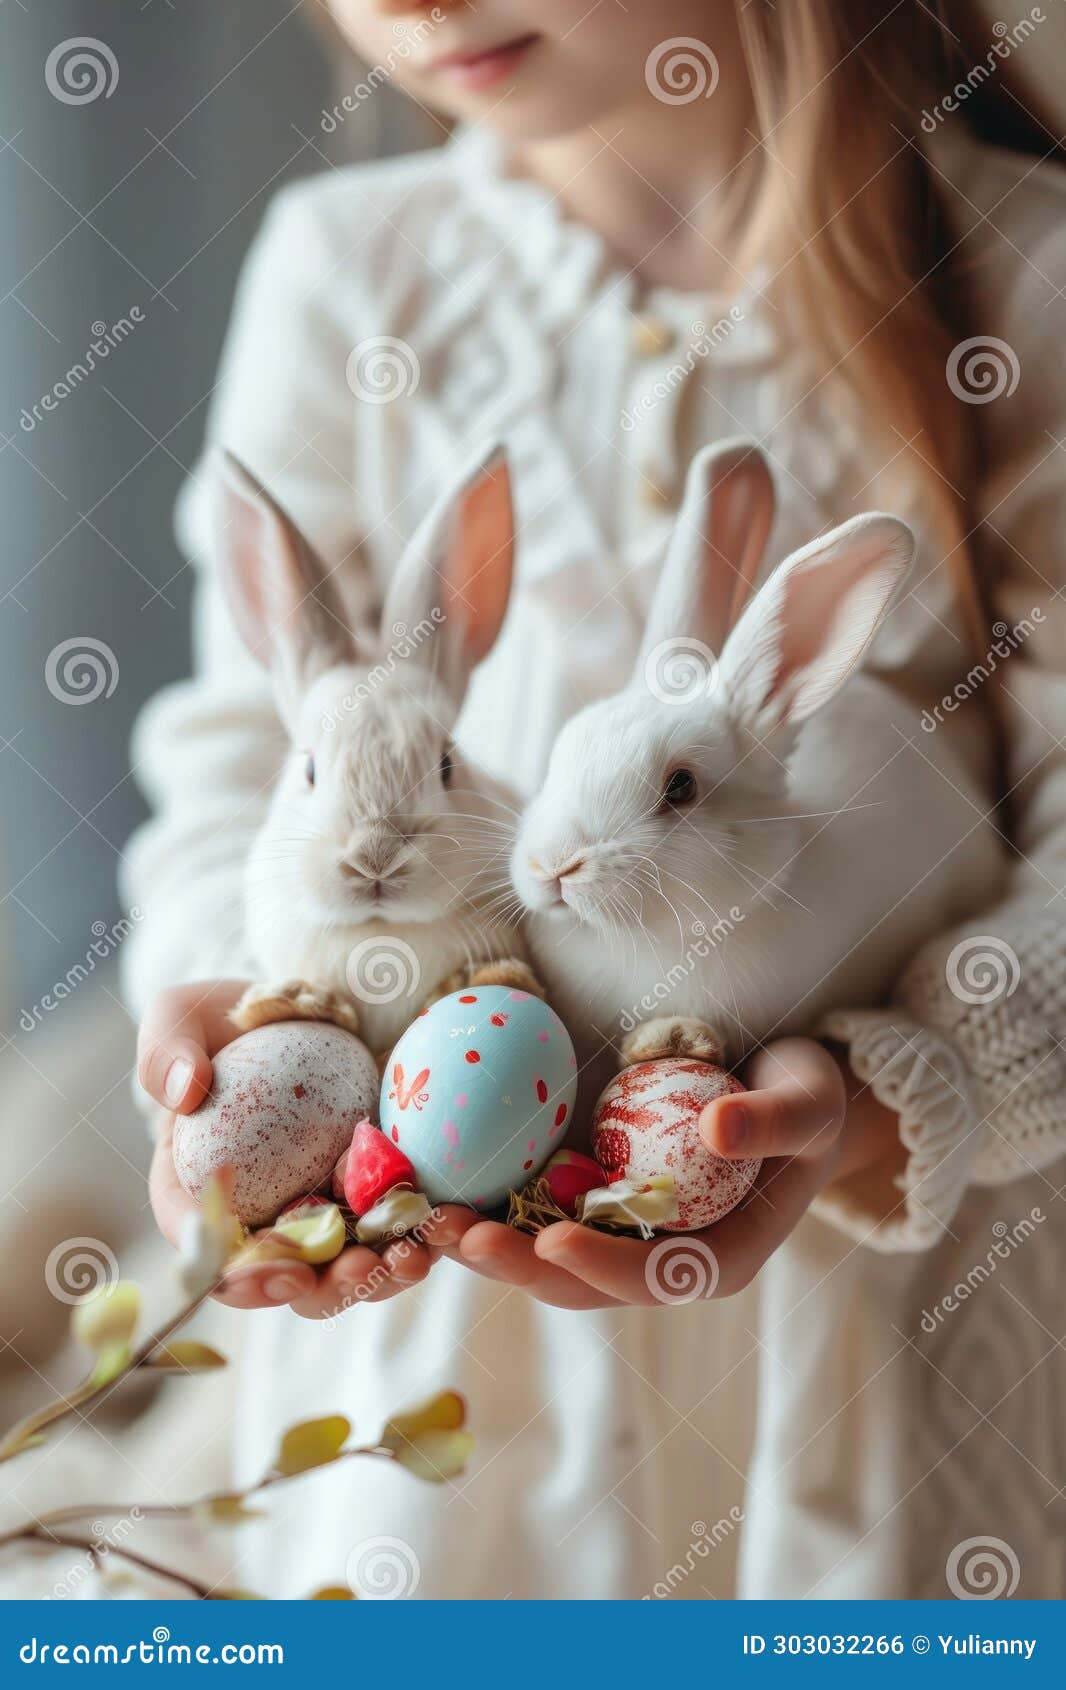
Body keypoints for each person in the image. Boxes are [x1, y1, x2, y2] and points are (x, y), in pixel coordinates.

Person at [126, 1, 1066, 1598]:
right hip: (434, 1321)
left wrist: (893, 1087)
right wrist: (259, 1030)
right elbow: (237, 754)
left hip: (867, 1330)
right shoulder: (348, 266)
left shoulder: (1020, 275)